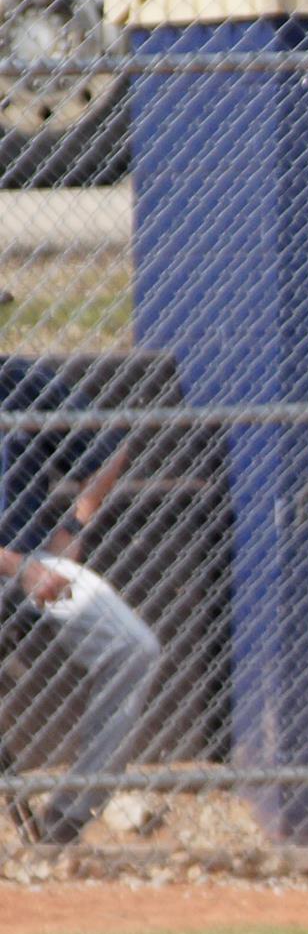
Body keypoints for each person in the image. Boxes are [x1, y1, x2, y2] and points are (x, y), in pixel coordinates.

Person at [0, 355, 160, 845]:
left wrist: (74, 526)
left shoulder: (18, 381)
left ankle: (68, 818)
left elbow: (109, 450)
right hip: (21, 569)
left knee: (134, 648)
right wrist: (18, 569)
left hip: (33, 563)